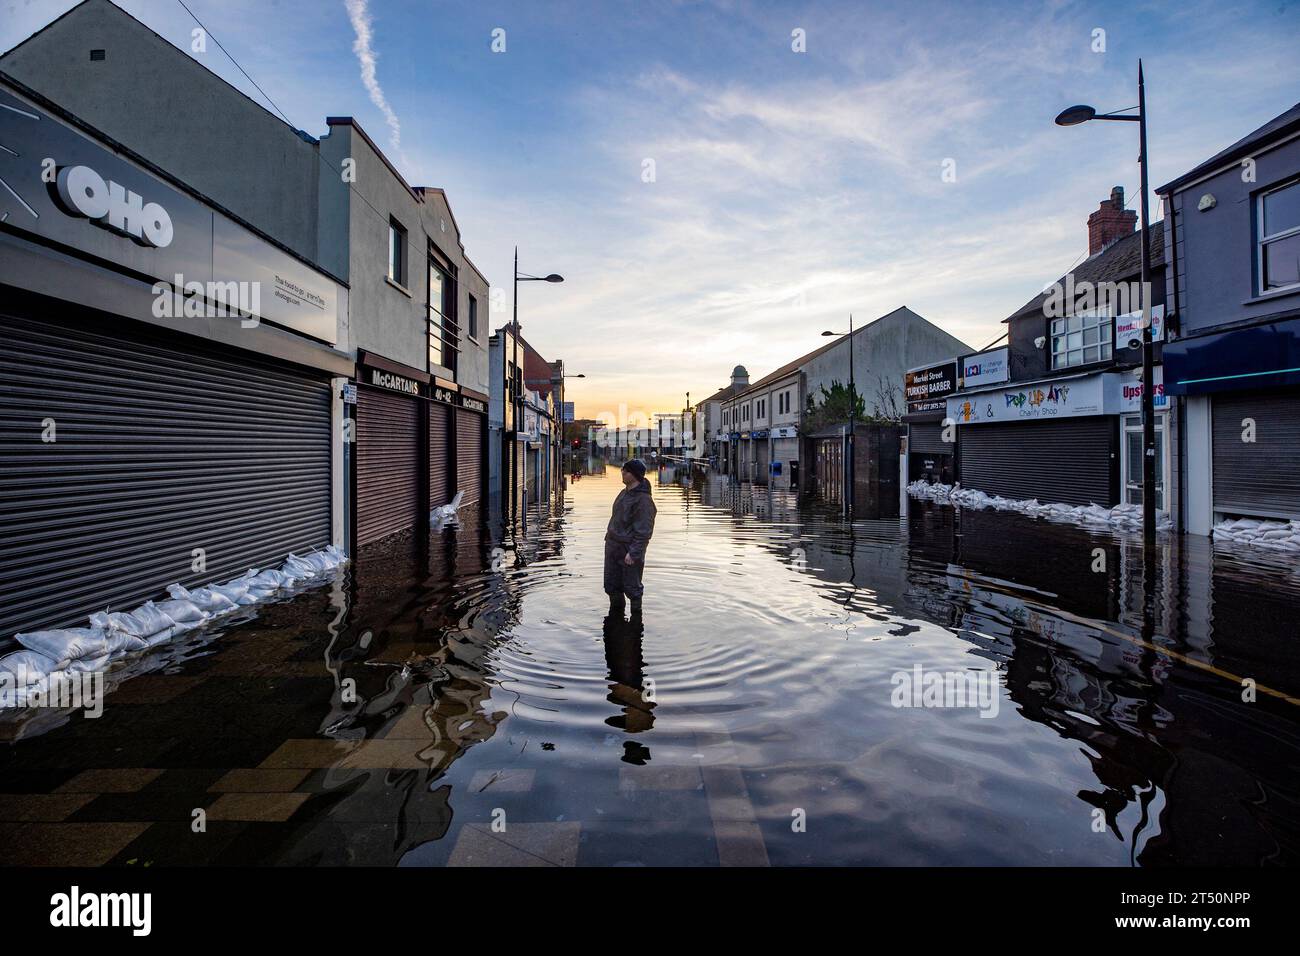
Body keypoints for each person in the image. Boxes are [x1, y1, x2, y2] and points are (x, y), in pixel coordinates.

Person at [604, 458, 656, 617]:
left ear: (634, 475)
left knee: (632, 588)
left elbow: (644, 531)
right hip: (613, 547)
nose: (622, 472)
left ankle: (635, 623)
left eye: (625, 471)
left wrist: (633, 553)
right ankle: (615, 622)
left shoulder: (643, 500)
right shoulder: (623, 493)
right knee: (612, 586)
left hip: (628, 550)